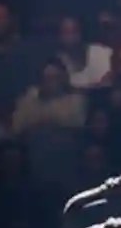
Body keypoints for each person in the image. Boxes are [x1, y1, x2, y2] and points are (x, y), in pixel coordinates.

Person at [12, 59, 87, 188]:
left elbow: (78, 123)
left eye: (55, 77)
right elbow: (17, 127)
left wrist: (43, 120)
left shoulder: (76, 100)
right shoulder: (28, 100)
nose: (51, 82)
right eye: (46, 78)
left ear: (63, 78)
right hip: (34, 155)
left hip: (65, 155)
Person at [55, 17, 113, 89]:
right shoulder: (57, 62)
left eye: (75, 31)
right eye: (66, 33)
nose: (72, 37)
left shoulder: (101, 52)